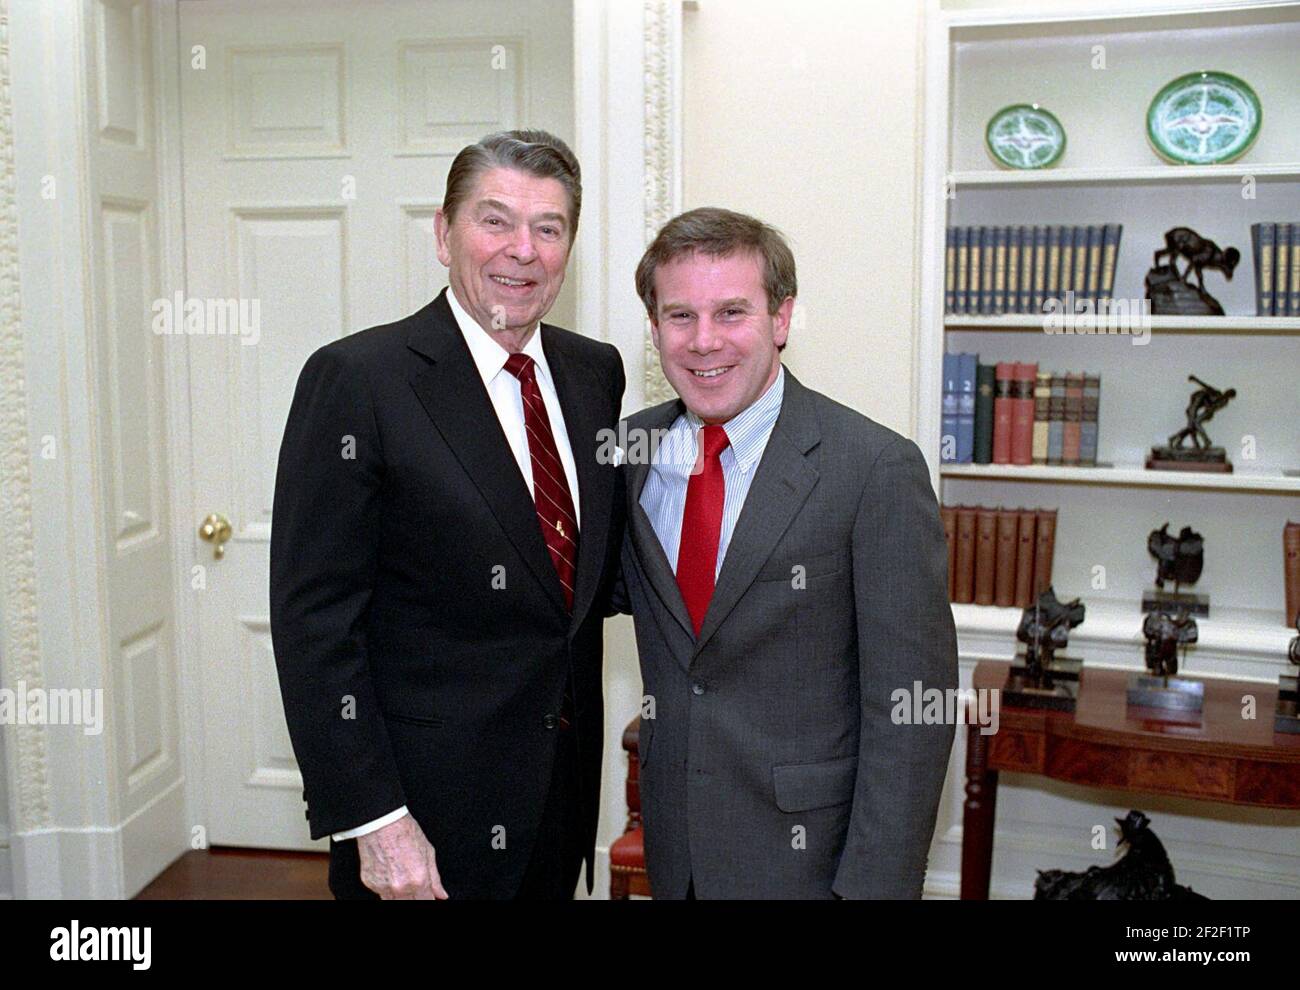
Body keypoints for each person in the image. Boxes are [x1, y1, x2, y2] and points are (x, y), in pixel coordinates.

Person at [270, 130, 626, 899]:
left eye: (549, 227)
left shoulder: (593, 372)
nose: (522, 250)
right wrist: (374, 820)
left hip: (559, 805)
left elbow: (586, 577)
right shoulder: (358, 380)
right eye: (494, 220)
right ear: (443, 233)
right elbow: (314, 624)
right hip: (421, 822)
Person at [614, 207, 957, 899]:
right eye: (680, 316)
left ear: (781, 318)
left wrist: (873, 889)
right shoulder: (628, 454)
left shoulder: (873, 467)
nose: (705, 341)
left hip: (810, 865)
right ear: (654, 330)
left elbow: (913, 709)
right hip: (675, 848)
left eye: (732, 312)